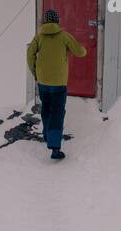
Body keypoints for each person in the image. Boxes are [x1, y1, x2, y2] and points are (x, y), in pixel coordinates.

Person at [26, 9, 86, 160]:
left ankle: (47, 133)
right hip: (59, 83)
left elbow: (29, 54)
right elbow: (79, 52)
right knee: (57, 112)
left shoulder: (39, 37)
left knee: (46, 107)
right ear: (57, 21)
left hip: (43, 82)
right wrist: (83, 48)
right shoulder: (64, 36)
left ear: (45, 21)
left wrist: (36, 72)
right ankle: (54, 147)